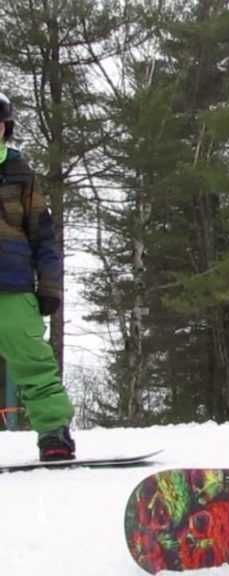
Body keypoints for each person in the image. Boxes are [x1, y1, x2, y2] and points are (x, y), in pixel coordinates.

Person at [0, 92, 76, 460]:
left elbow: (44, 237)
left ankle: (53, 432)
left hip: (11, 284)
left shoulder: (21, 175)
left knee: (33, 360)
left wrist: (49, 286)